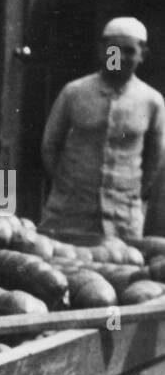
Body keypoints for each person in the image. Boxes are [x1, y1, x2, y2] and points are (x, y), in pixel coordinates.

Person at [40, 16, 165, 240]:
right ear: (102, 51)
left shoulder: (152, 101)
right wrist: (67, 187)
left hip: (122, 220)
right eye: (113, 50)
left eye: (129, 51)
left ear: (142, 54)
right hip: (69, 216)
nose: (119, 57)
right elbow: (50, 146)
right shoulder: (74, 92)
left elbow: (155, 159)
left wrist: (129, 195)